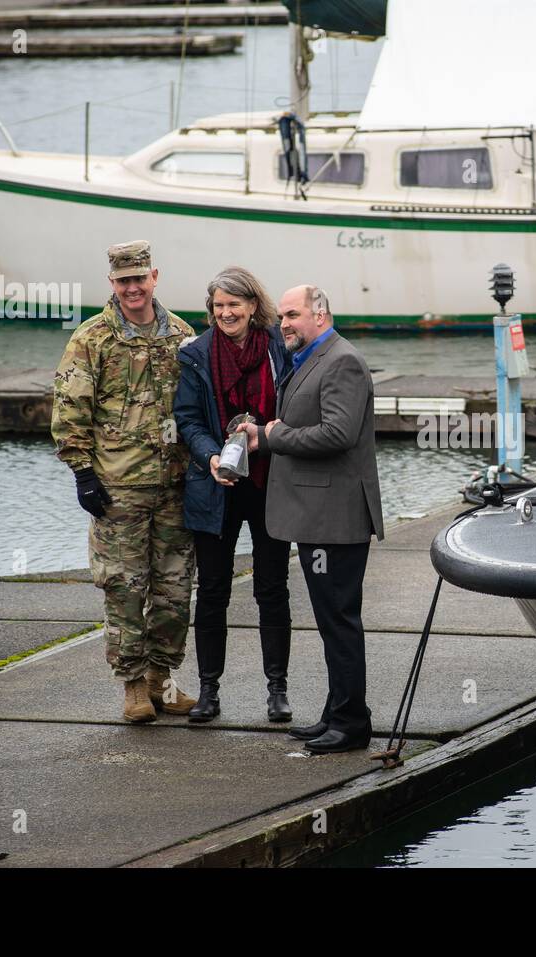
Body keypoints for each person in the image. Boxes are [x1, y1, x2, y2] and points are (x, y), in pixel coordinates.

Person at [51, 240, 197, 723]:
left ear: (155, 276)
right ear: (111, 284)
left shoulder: (181, 334)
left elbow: (197, 407)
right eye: (123, 281)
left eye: (140, 278)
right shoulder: (92, 338)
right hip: (118, 489)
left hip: (175, 486)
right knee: (125, 589)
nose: (133, 289)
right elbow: (71, 410)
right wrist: (83, 474)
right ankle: (133, 685)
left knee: (175, 590)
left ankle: (162, 679)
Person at [241, 285, 383, 755]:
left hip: (335, 518)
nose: (284, 323)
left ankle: (351, 723)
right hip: (318, 516)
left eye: (293, 314)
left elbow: (338, 434)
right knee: (329, 620)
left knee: (339, 620)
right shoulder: (311, 358)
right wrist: (267, 434)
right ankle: (337, 712)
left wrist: (272, 436)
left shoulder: (342, 361)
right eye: (281, 316)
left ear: (321, 314)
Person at [174, 268, 293, 724]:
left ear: (252, 306)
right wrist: (209, 457)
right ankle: (209, 691)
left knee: (273, 589)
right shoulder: (197, 354)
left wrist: (272, 435)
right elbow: (188, 418)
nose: (226, 313)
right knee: (213, 592)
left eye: (234, 305)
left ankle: (277, 691)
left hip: (270, 482)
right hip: (216, 486)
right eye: (219, 306)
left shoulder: (278, 347)